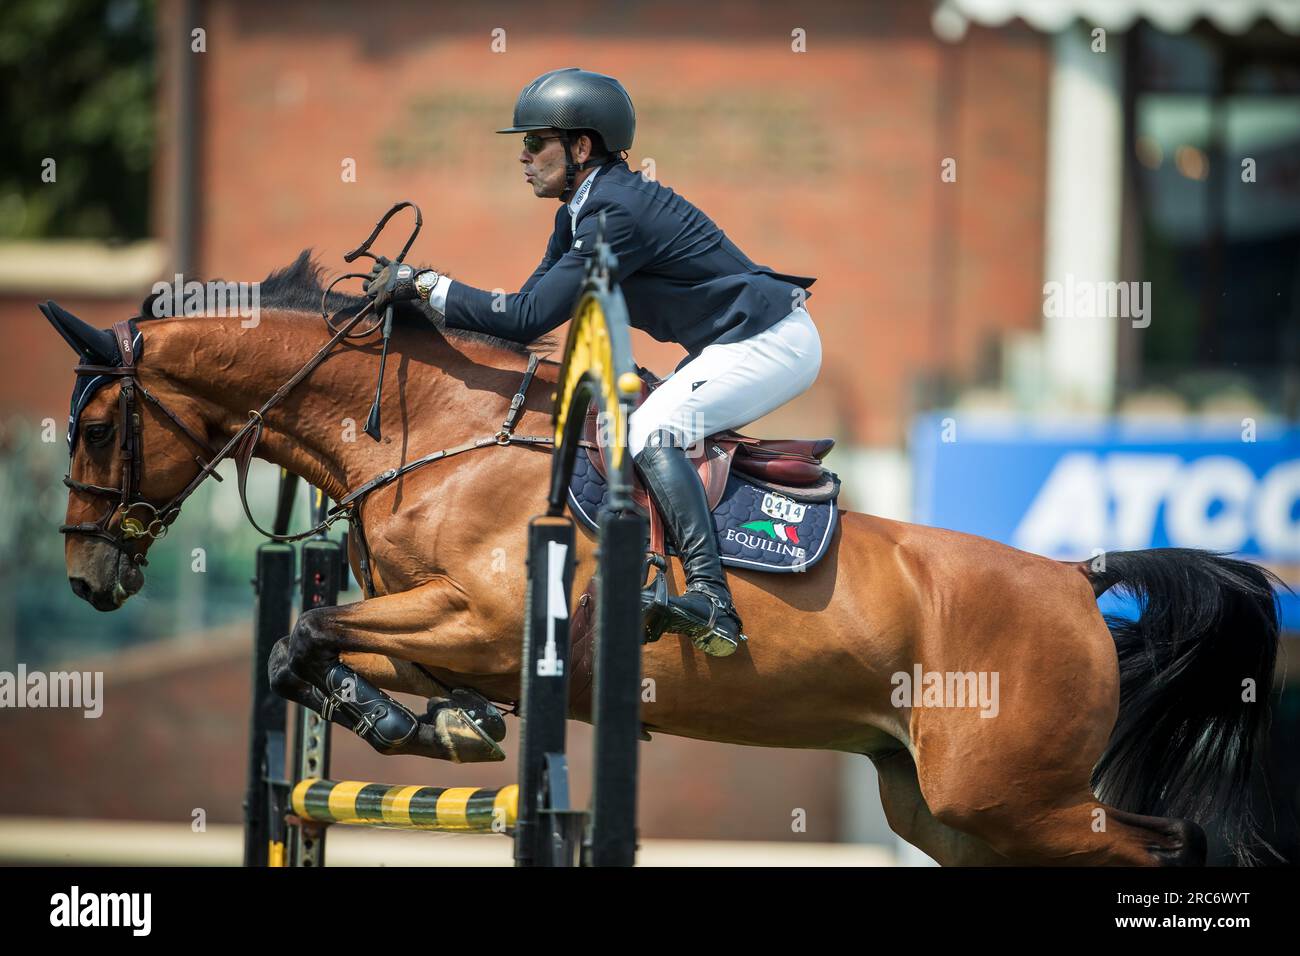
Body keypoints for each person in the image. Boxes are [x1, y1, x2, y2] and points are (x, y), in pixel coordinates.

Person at [365, 67, 821, 657]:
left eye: (535, 143)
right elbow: (520, 312)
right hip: (738, 341)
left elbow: (527, 318)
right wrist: (422, 306)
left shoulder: (615, 213)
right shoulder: (578, 213)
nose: (523, 156)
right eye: (523, 144)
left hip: (772, 340)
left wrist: (426, 283)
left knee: (653, 430)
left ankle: (713, 600)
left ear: (581, 147)